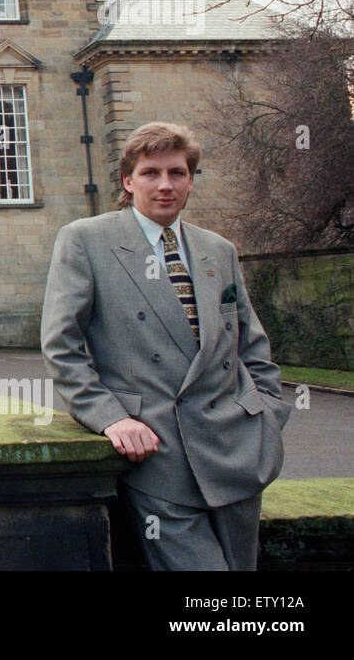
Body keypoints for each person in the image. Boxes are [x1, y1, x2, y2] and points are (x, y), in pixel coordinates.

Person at [41, 121, 290, 570]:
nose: (165, 185)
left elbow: (251, 344)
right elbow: (62, 346)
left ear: (190, 179)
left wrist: (268, 414)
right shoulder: (87, 240)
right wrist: (109, 416)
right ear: (127, 180)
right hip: (157, 453)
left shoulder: (218, 249)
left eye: (177, 173)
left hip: (236, 451)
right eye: (151, 172)